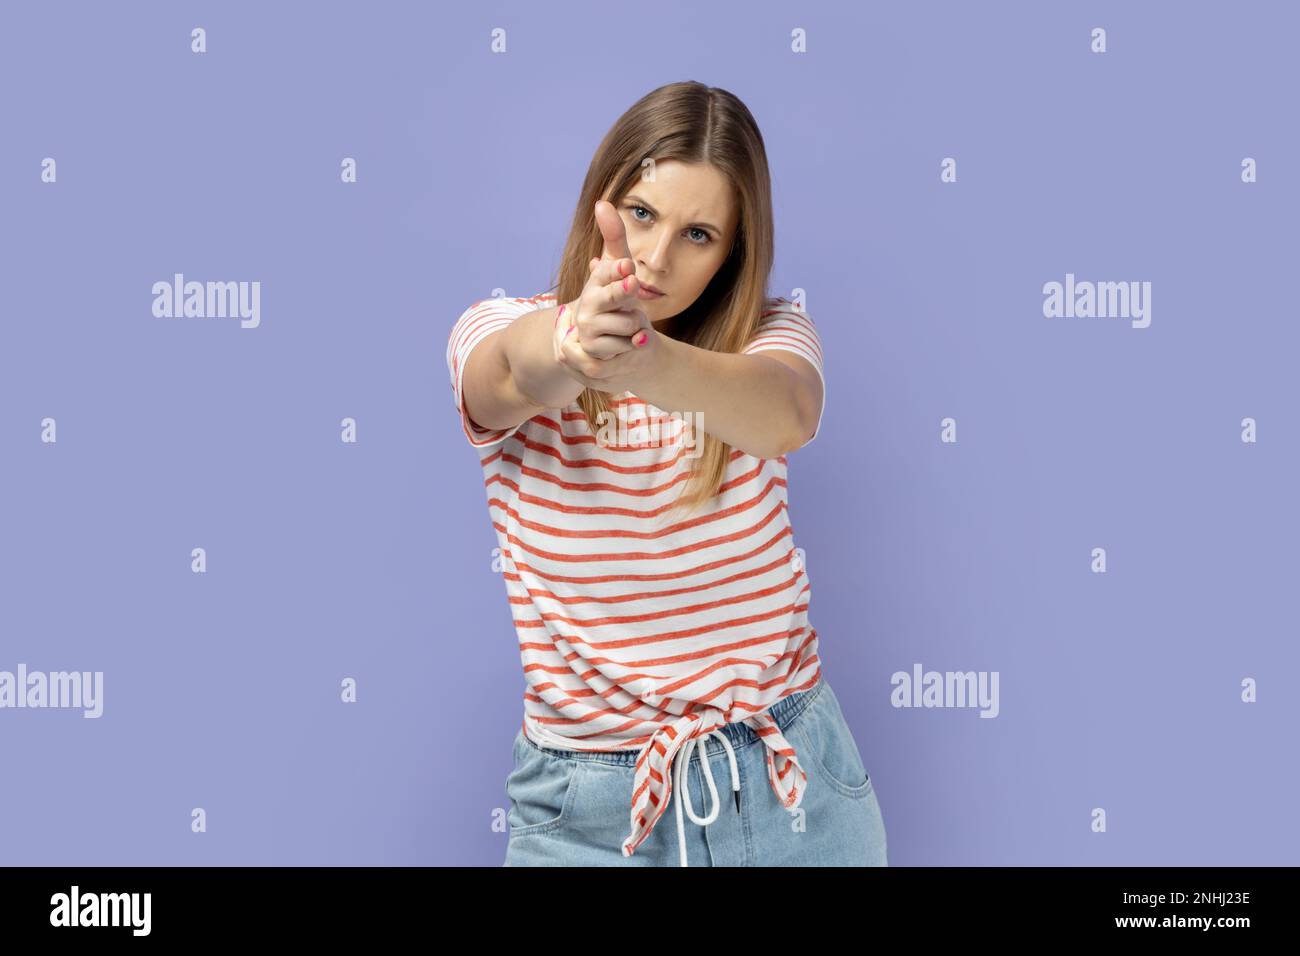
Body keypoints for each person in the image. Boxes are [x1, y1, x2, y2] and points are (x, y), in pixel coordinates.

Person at [446, 81, 887, 866]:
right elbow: (508, 374)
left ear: (732, 253)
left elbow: (787, 412)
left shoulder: (771, 337)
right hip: (588, 812)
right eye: (643, 213)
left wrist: (641, 361)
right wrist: (578, 345)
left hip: (790, 786)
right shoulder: (499, 325)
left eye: (699, 233)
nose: (654, 257)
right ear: (601, 201)